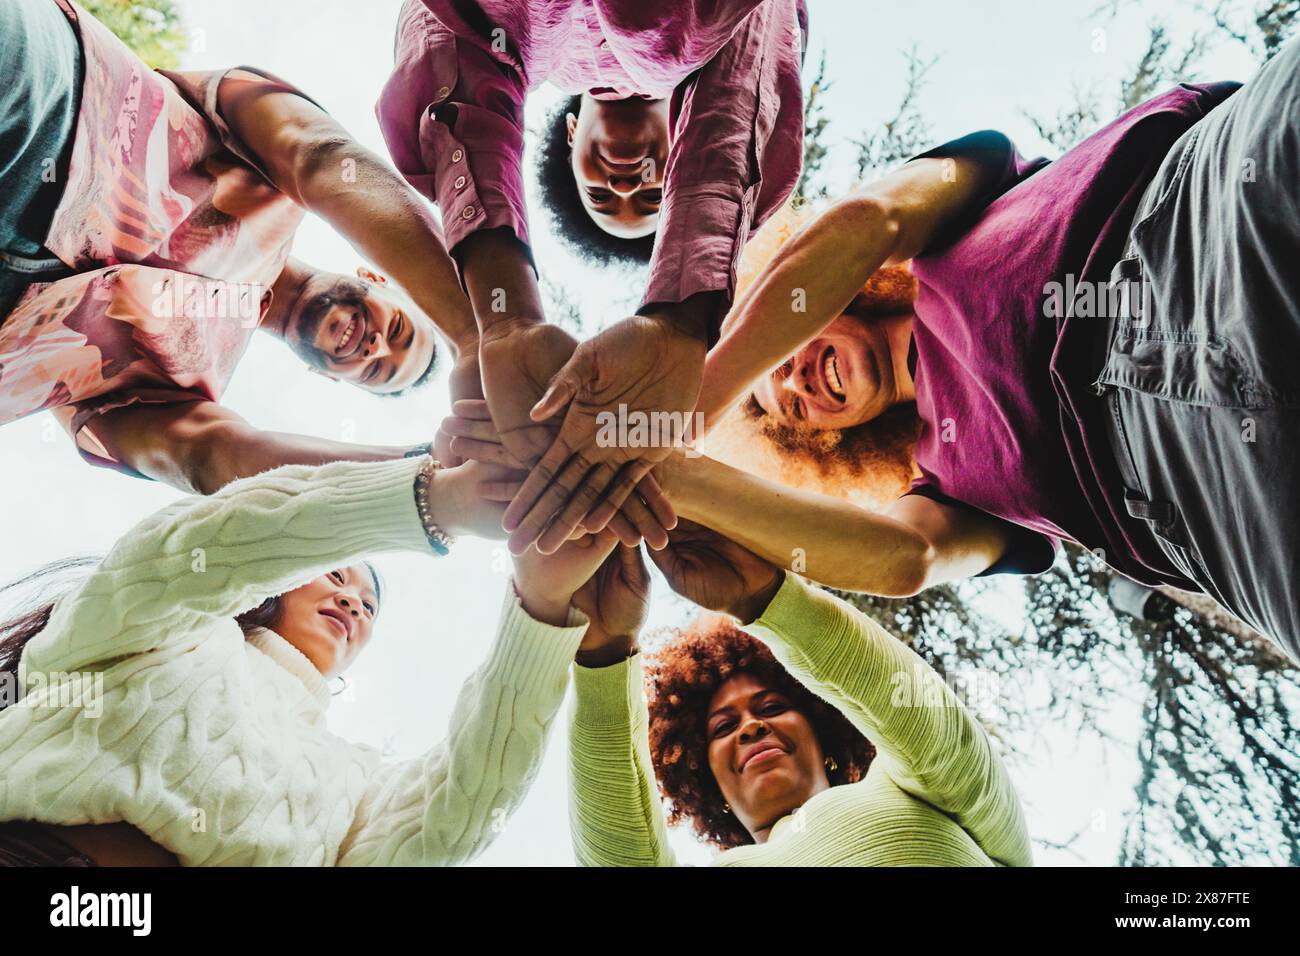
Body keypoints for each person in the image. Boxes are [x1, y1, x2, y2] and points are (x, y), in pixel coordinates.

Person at [608, 42, 1300, 661]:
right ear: (831, 443)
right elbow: (905, 562)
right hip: (1206, 491)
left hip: (1192, 224)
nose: (791, 384)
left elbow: (872, 220)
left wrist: (687, 407)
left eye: (771, 365)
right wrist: (671, 478)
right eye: (792, 413)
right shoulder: (945, 487)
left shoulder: (953, 220)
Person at [0, 451, 631, 866]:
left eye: (368, 605)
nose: (352, 602)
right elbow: (199, 548)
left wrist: (542, 606)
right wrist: (438, 502)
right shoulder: (172, 626)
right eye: (336, 575)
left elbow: (456, 815)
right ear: (285, 577)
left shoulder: (351, 778)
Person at [0, 0, 483, 495]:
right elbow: (321, 154)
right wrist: (477, 336)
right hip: (55, 119)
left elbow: (209, 457)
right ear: (377, 278)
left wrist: (423, 470)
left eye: (376, 369)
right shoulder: (280, 182)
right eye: (398, 328)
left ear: (337, 380)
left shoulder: (188, 395)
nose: (375, 345)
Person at [377, 0, 808, 552]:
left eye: (602, 194)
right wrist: (680, 320)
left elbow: (451, 33)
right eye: (653, 193)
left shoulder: (536, 43)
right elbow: (743, 75)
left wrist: (506, 320)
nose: (625, 185)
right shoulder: (702, 45)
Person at [565, 519, 1033, 866]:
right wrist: (602, 651)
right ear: (707, 781)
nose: (751, 726)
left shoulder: (914, 790)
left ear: (822, 730)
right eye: (724, 727)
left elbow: (939, 735)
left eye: (771, 707)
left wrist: (767, 599)